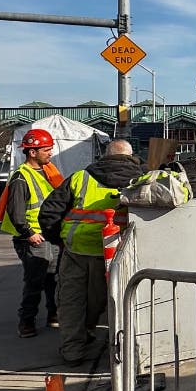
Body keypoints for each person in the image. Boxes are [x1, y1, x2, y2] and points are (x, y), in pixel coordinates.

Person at [40, 139, 147, 366]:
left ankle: (73, 350)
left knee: (71, 300)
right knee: (119, 301)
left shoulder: (81, 177)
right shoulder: (143, 178)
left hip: (78, 250)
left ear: (105, 155)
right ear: (131, 155)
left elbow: (49, 213)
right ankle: (127, 355)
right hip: (120, 252)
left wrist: (60, 241)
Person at [0, 128, 65, 338]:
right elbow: (16, 211)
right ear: (32, 152)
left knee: (53, 279)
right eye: (46, 149)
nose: (50, 153)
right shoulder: (21, 177)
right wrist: (29, 233)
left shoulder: (47, 172)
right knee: (35, 281)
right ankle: (26, 321)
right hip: (32, 238)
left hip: (50, 236)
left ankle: (53, 315)